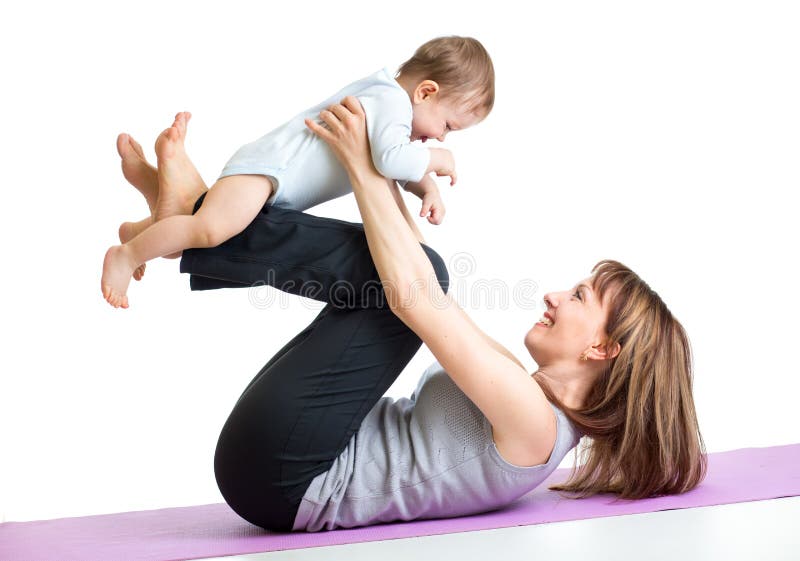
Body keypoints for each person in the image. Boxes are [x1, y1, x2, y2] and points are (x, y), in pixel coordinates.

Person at [115, 100, 707, 533]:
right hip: (279, 462)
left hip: (286, 478)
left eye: (579, 298)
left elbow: (414, 298)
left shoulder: (536, 426)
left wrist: (361, 167)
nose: (554, 297)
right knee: (421, 274)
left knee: (418, 281)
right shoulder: (527, 397)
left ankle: (200, 221)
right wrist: (382, 170)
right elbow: (422, 289)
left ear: (603, 351)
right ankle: (196, 220)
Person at [101, 35, 494, 308]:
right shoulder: (391, 103)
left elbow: (389, 159)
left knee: (188, 241)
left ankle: (143, 224)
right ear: (426, 92)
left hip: (270, 180)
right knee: (208, 231)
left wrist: (428, 189)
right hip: (266, 171)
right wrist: (440, 161)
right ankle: (127, 254)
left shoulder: (388, 105)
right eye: (448, 126)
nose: (442, 138)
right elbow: (393, 160)